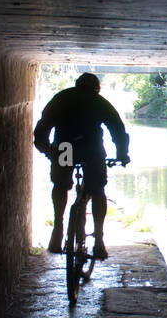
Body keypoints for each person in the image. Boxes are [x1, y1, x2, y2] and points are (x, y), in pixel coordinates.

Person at [33, 72, 130, 259]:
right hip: (92, 149)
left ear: (77, 84)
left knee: (60, 186)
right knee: (97, 190)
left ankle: (58, 230)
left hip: (65, 148)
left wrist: (47, 150)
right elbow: (117, 129)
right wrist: (122, 155)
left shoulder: (62, 98)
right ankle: (99, 241)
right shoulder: (99, 101)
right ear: (97, 88)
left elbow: (42, 127)